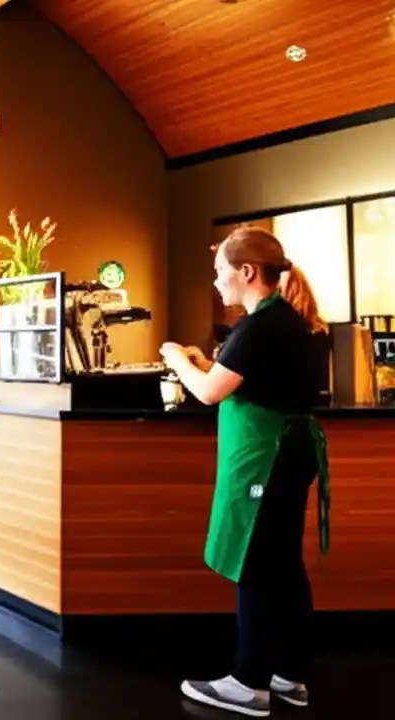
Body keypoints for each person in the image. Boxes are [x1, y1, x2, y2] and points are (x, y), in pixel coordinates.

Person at [162, 227, 330, 717]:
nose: (216, 284)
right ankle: (290, 675)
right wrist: (203, 363)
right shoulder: (288, 322)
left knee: (254, 563)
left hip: (268, 455)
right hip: (291, 453)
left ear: (247, 272)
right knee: (283, 563)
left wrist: (176, 358)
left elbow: (211, 391)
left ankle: (248, 681)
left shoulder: (259, 327)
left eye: (221, 274)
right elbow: (234, 376)